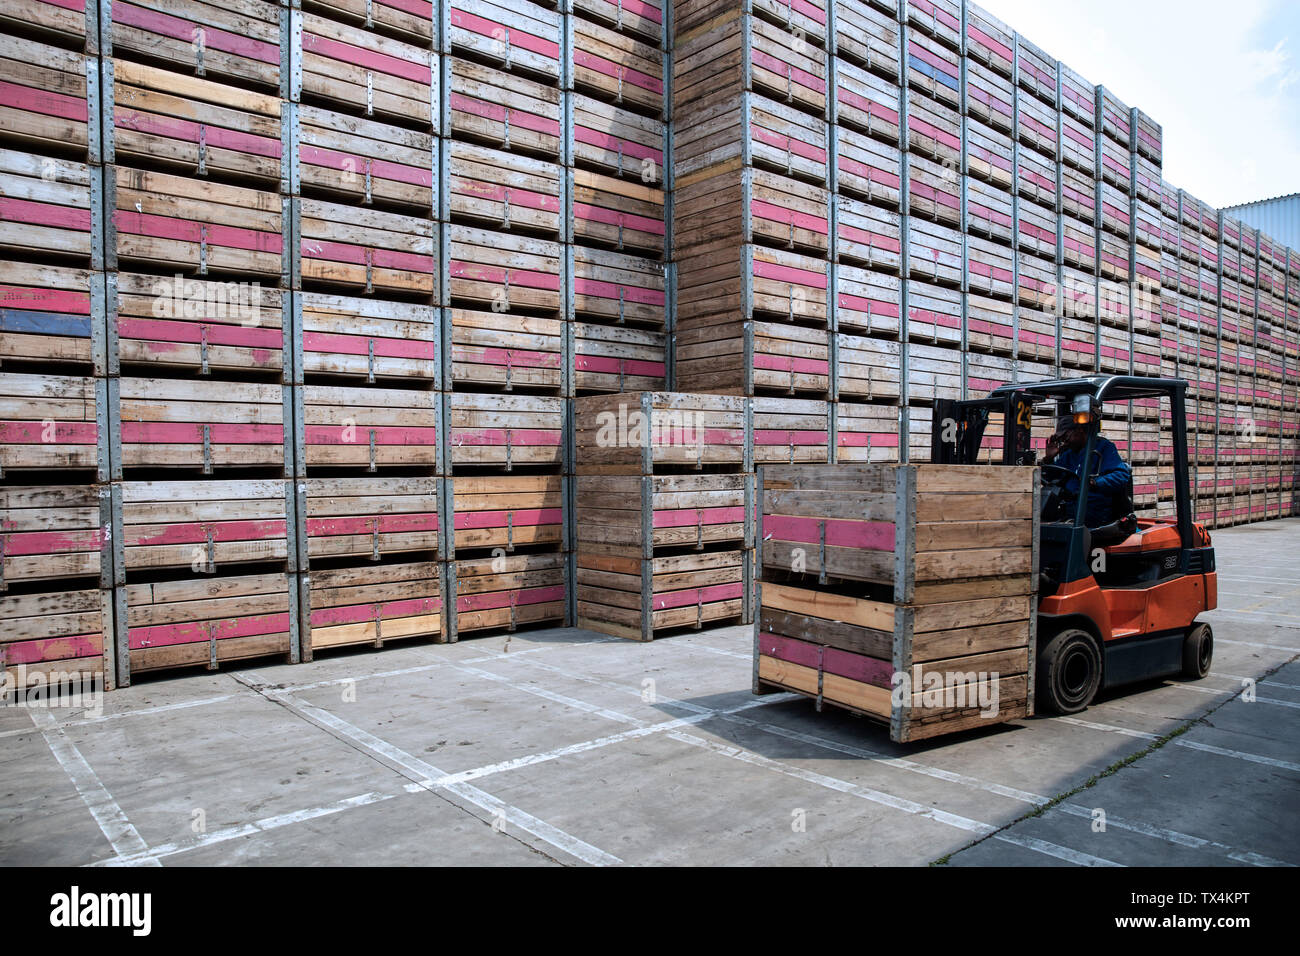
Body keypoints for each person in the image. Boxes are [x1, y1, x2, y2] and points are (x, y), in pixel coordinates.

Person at [1041, 409, 1132, 527]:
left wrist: (1095, 482)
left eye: (1065, 436)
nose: (1064, 442)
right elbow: (1049, 478)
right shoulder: (1068, 455)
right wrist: (1048, 458)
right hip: (1072, 514)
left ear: (1079, 430)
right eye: (1061, 439)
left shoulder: (1103, 448)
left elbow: (1121, 475)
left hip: (1097, 515)